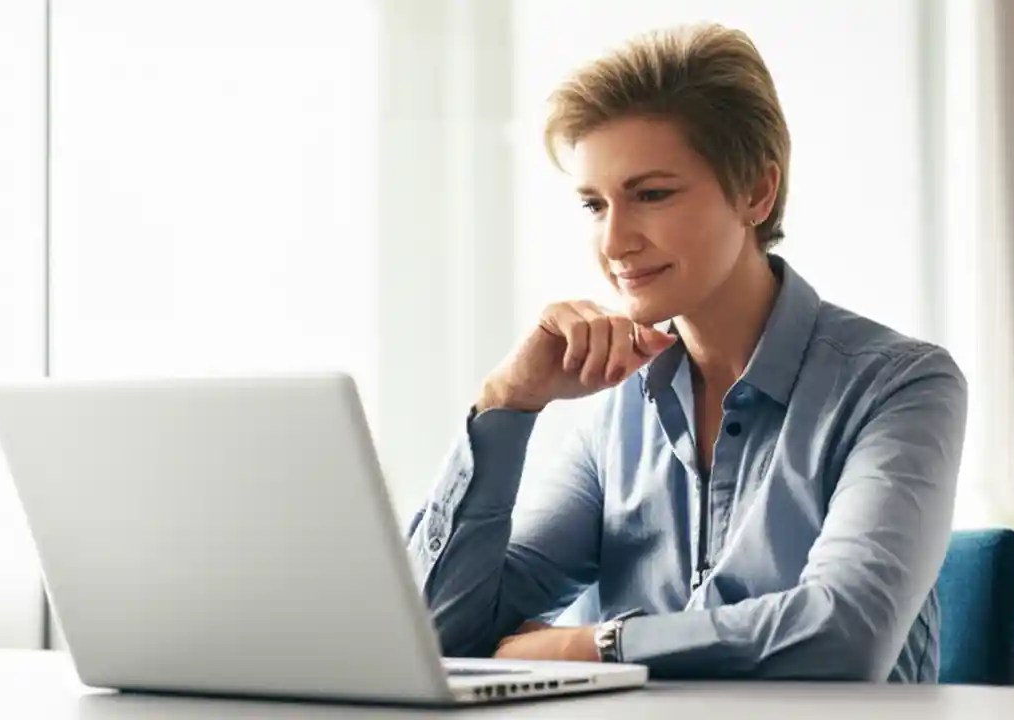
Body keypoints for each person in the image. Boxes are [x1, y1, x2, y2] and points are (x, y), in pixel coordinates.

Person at [405, 22, 966, 682]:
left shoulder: (900, 387)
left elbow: (844, 635)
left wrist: (595, 646)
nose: (614, 242)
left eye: (651, 195)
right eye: (594, 205)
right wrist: (507, 402)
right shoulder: (619, 415)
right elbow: (440, 634)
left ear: (755, 192)